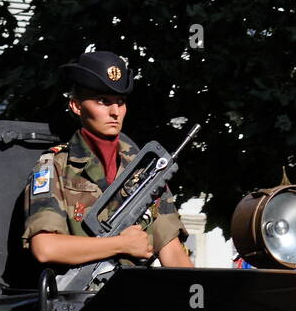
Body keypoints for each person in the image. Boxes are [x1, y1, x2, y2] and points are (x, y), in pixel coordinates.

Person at [22, 50, 192, 270]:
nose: (115, 112)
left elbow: (173, 253)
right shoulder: (55, 166)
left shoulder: (146, 170)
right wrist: (120, 244)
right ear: (76, 105)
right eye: (103, 101)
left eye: (120, 102)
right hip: (77, 299)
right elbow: (45, 248)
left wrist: (203, 299)